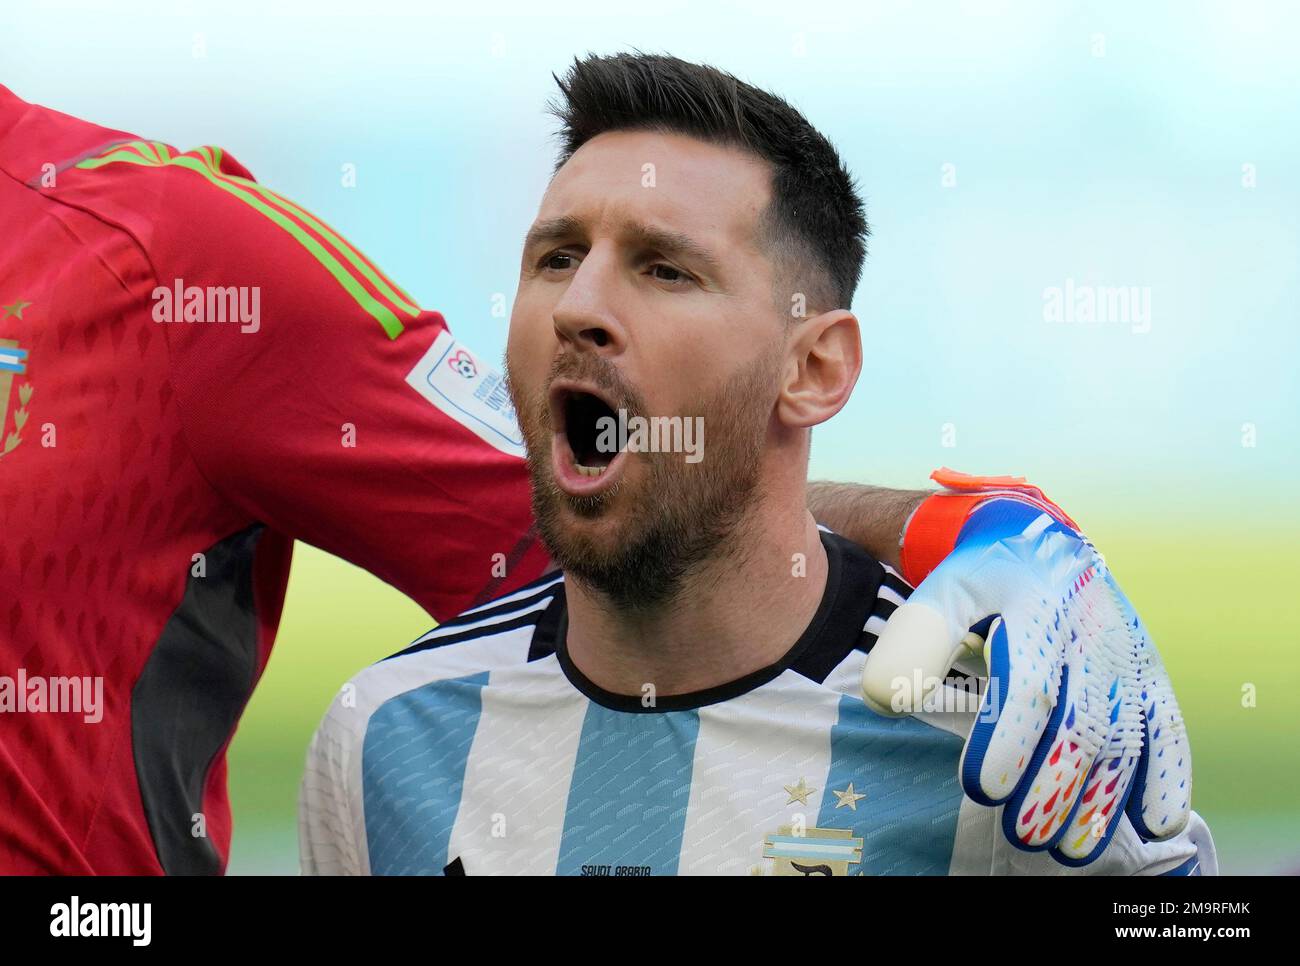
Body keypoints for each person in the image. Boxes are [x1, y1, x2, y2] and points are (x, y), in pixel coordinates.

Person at [298, 53, 1213, 876]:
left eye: (664, 270)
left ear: (813, 368)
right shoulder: (386, 734)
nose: (577, 305)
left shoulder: (1001, 747)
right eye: (558, 257)